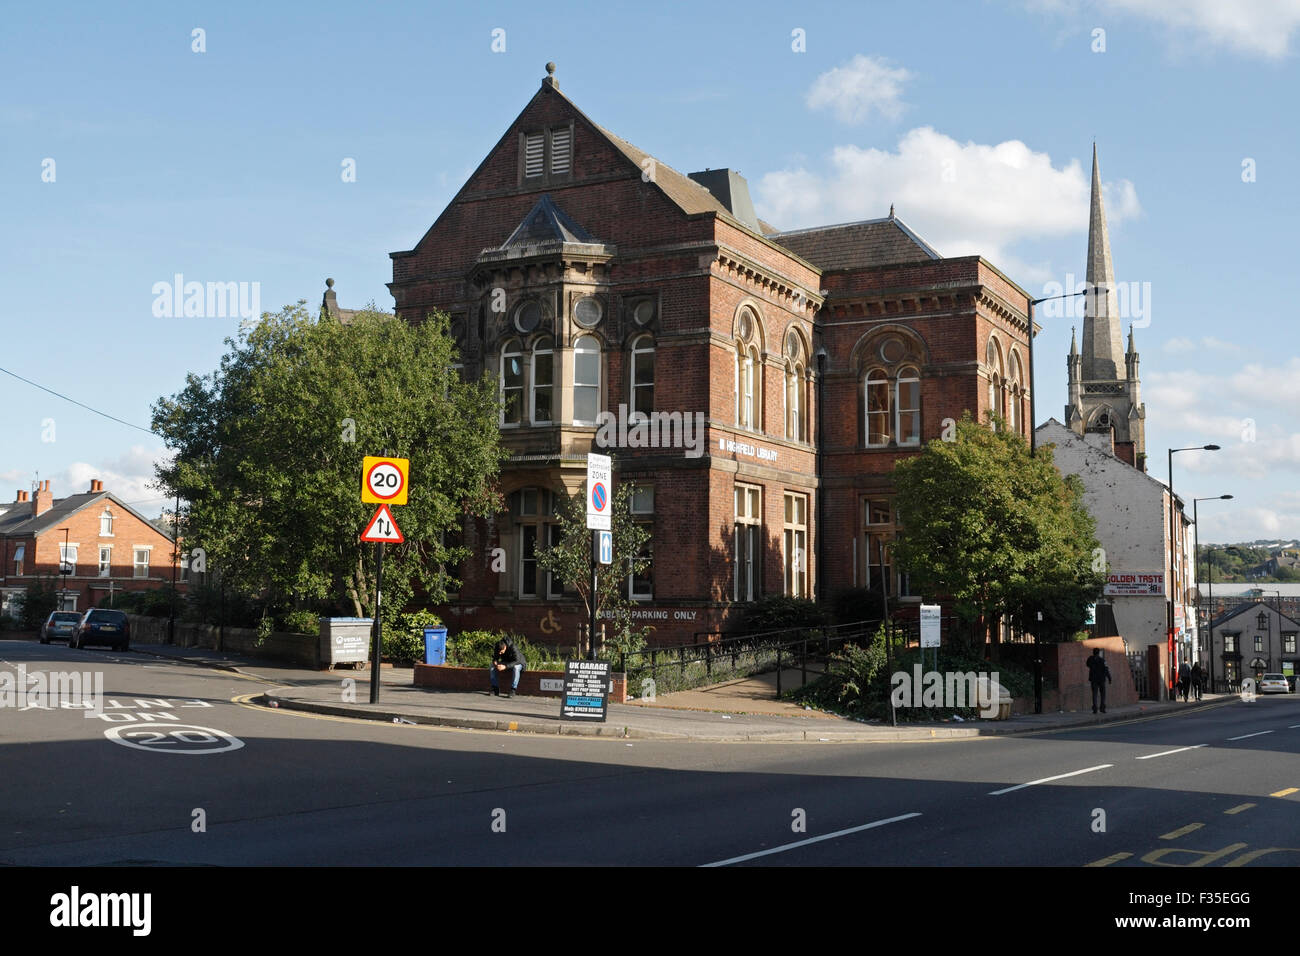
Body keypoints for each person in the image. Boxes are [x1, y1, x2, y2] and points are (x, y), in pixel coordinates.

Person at [1086, 648, 1112, 714]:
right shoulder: (1102, 660)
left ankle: (1095, 709)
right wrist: (1109, 678)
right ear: (1098, 653)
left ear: (1093, 652)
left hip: (1094, 679)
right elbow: (1106, 670)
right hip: (1101, 679)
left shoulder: (1090, 659)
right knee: (1103, 694)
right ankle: (1102, 709)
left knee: (1094, 694)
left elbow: (1087, 664)